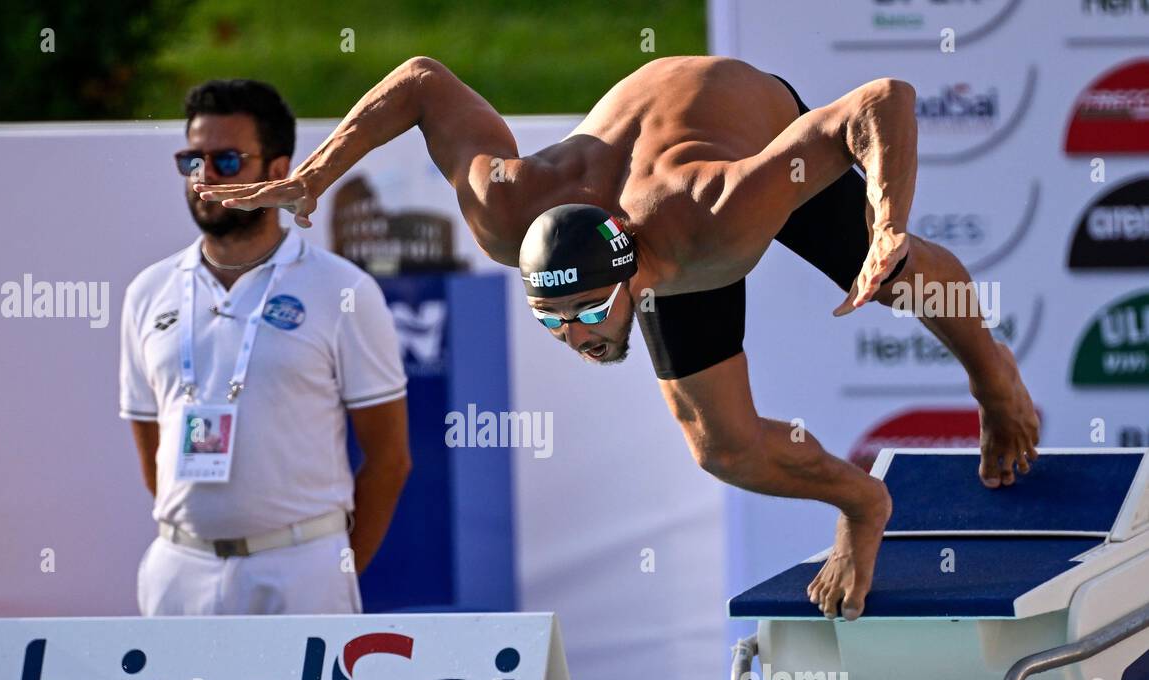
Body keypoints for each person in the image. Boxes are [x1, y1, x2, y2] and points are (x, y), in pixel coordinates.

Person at [193, 56, 1040, 621]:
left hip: (741, 136)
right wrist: (315, 175)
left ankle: (994, 381)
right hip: (624, 194)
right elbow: (419, 82)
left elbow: (879, 100)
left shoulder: (724, 208)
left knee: (899, 276)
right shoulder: (503, 208)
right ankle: (863, 501)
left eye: (589, 316)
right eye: (551, 318)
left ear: (635, 280)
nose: (573, 339)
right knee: (725, 450)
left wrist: (889, 223)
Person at [119, 79, 411, 615]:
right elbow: (149, 441)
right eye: (191, 161)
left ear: (279, 172)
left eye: (227, 161)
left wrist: (330, 566)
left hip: (301, 570)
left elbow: (390, 459)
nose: (204, 178)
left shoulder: (342, 290)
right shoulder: (148, 291)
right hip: (178, 568)